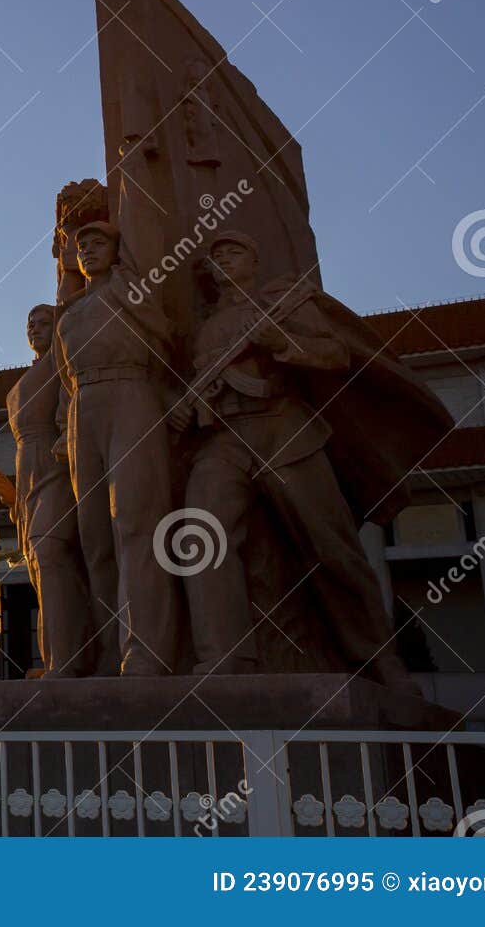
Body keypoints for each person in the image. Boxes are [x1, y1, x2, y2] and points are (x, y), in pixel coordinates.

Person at [171, 231, 421, 693]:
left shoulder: (285, 304)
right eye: (217, 255)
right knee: (199, 535)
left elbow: (334, 354)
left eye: (235, 250)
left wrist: (279, 342)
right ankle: (224, 656)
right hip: (225, 437)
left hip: (286, 431)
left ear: (254, 259)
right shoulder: (205, 327)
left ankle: (381, 660)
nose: (225, 259)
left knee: (332, 548)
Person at [54, 221, 182, 675]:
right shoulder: (68, 316)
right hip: (83, 411)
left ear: (117, 250)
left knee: (134, 522)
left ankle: (146, 649)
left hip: (131, 392)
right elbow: (66, 383)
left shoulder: (133, 289)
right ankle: (110, 647)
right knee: (95, 537)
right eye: (81, 245)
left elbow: (167, 350)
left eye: (98, 242)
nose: (88, 250)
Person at [0, 304, 94, 676]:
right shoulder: (29, 377)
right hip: (27, 472)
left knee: (52, 552)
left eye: (44, 323)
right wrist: (15, 497)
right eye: (30, 324)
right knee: (39, 567)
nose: (35, 329)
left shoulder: (62, 364)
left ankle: (70, 659)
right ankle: (55, 658)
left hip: (56, 463)